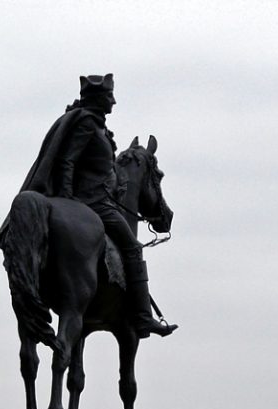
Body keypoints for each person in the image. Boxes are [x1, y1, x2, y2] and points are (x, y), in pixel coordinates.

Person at [21, 73, 176, 338]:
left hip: (92, 198)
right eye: (109, 96)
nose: (113, 101)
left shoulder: (94, 124)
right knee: (132, 247)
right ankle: (142, 317)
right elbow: (68, 160)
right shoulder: (88, 125)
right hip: (94, 203)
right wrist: (69, 197)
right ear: (99, 99)